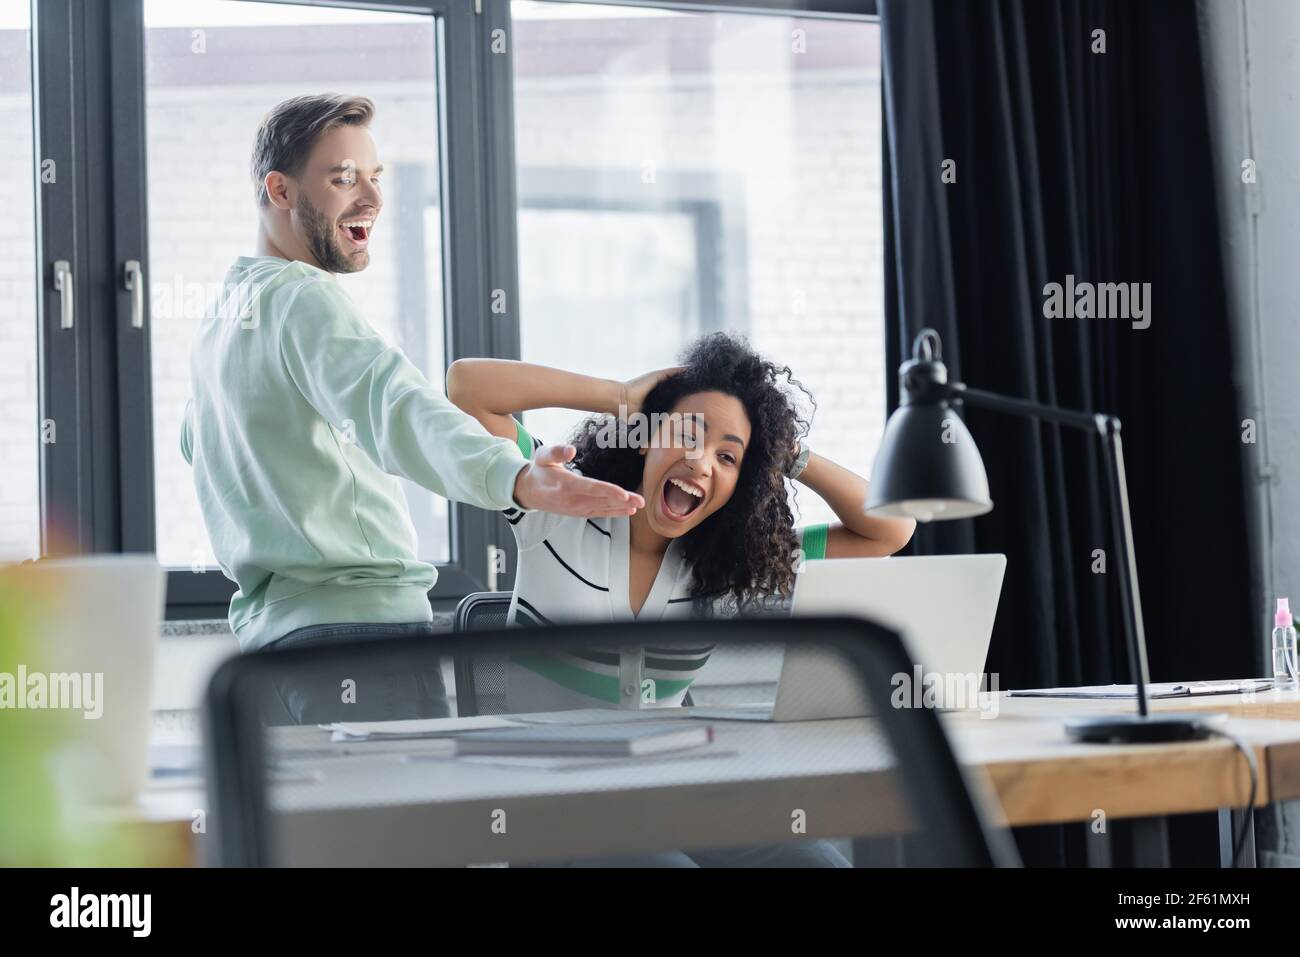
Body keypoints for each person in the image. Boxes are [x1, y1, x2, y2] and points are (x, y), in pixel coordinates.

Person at [180, 93, 640, 725]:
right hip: (359, 643)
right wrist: (515, 475)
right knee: (398, 826)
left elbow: (204, 452)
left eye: (376, 178)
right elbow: (396, 404)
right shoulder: (303, 299)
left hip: (272, 655)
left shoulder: (224, 321)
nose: (371, 199)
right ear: (280, 191)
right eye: (343, 179)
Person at [448, 333, 916, 866]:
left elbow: (890, 530)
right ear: (645, 437)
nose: (700, 462)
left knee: (817, 862)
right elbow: (468, 387)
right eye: (686, 434)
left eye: (728, 457)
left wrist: (788, 454)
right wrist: (621, 396)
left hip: (669, 798)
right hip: (554, 812)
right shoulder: (558, 505)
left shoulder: (732, 564)